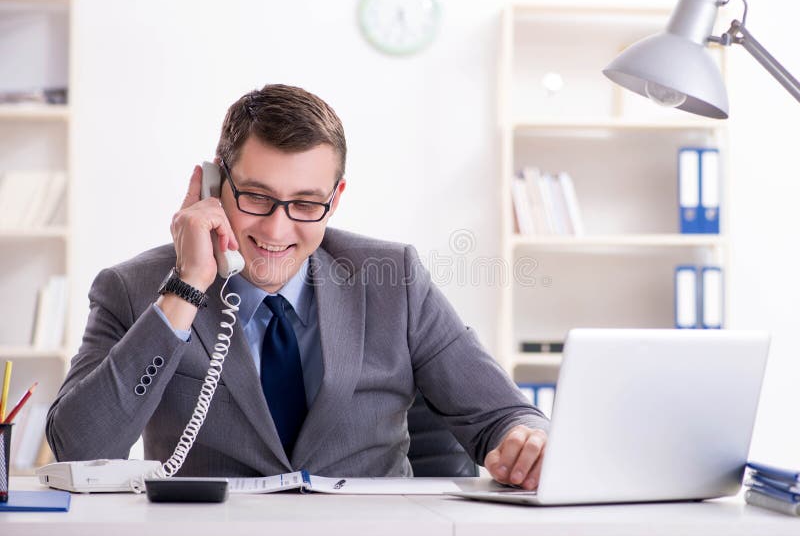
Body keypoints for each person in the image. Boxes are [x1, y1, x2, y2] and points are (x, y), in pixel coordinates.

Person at [46, 84, 548, 490]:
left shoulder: (394, 278)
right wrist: (188, 287)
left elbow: (504, 414)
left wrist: (529, 443)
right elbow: (80, 450)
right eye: (257, 197)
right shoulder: (132, 289)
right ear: (213, 183)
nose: (277, 230)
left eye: (306, 204)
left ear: (336, 198)